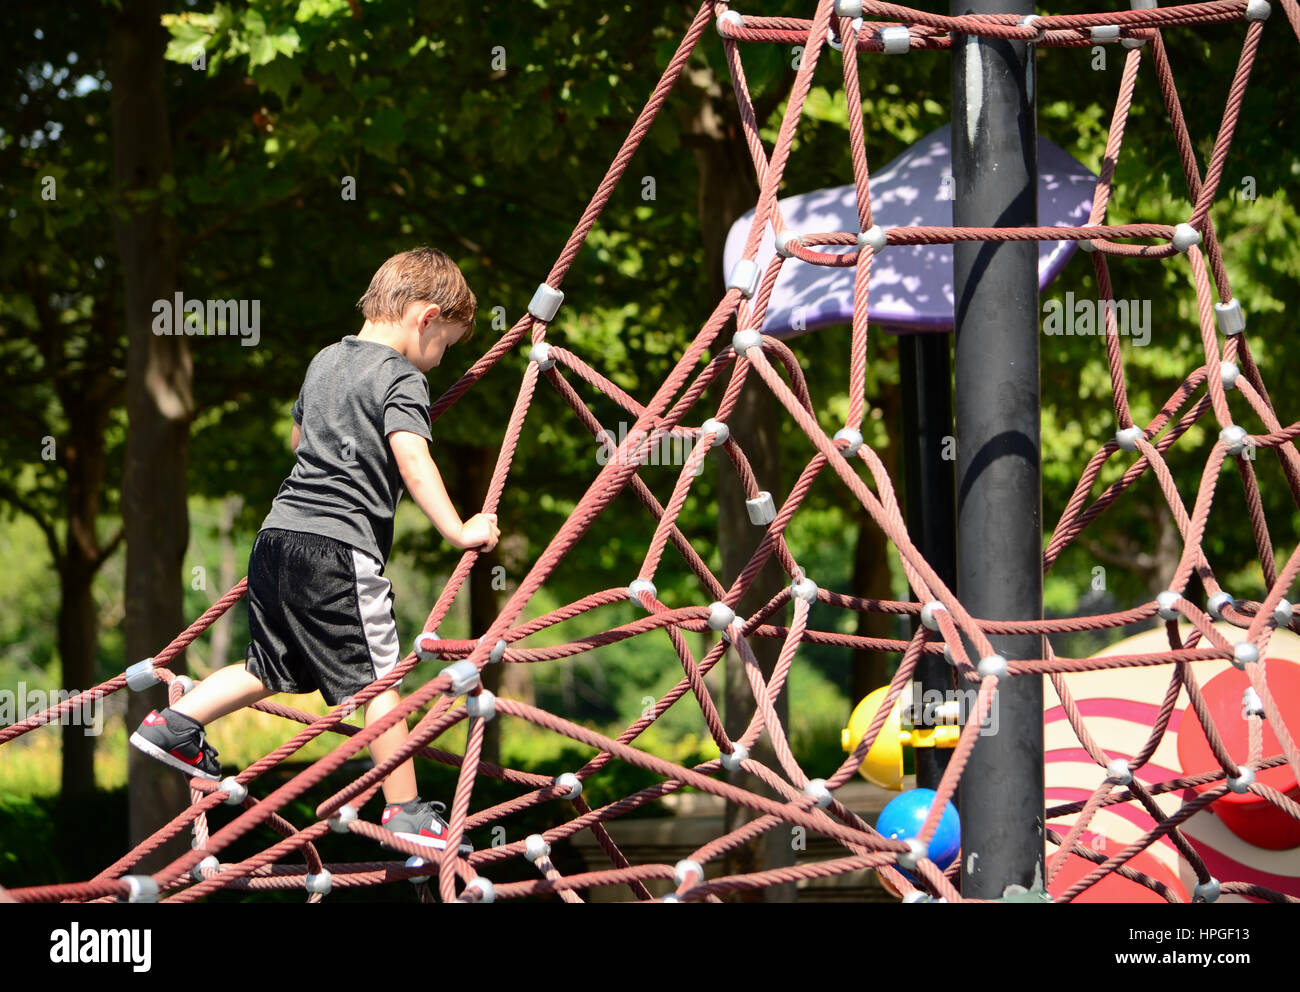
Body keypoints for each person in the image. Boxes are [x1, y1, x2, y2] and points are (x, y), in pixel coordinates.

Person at [130, 247, 500, 854]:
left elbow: (301, 438)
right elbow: (413, 458)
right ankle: (406, 811)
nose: (442, 360)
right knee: (381, 679)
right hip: (337, 549)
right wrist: (461, 529)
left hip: (275, 541)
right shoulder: (403, 377)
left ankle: (174, 724)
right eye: (448, 344)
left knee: (274, 667)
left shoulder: (325, 360)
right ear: (426, 318)